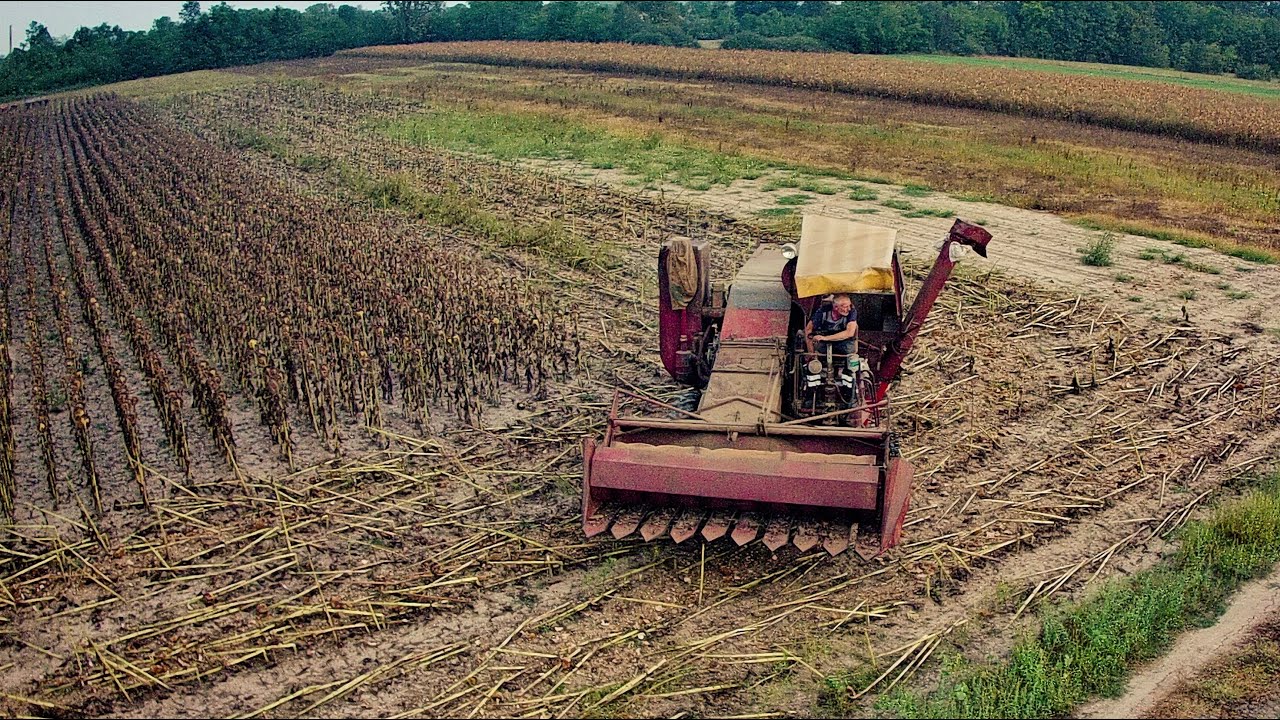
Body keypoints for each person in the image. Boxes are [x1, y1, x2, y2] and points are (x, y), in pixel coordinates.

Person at [805, 293, 858, 363]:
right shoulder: (822, 312)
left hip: (845, 347)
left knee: (853, 364)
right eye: (845, 307)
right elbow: (808, 329)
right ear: (836, 307)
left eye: (849, 306)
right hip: (824, 347)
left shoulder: (851, 312)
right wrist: (811, 353)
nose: (849, 309)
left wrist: (826, 338)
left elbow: (849, 333)